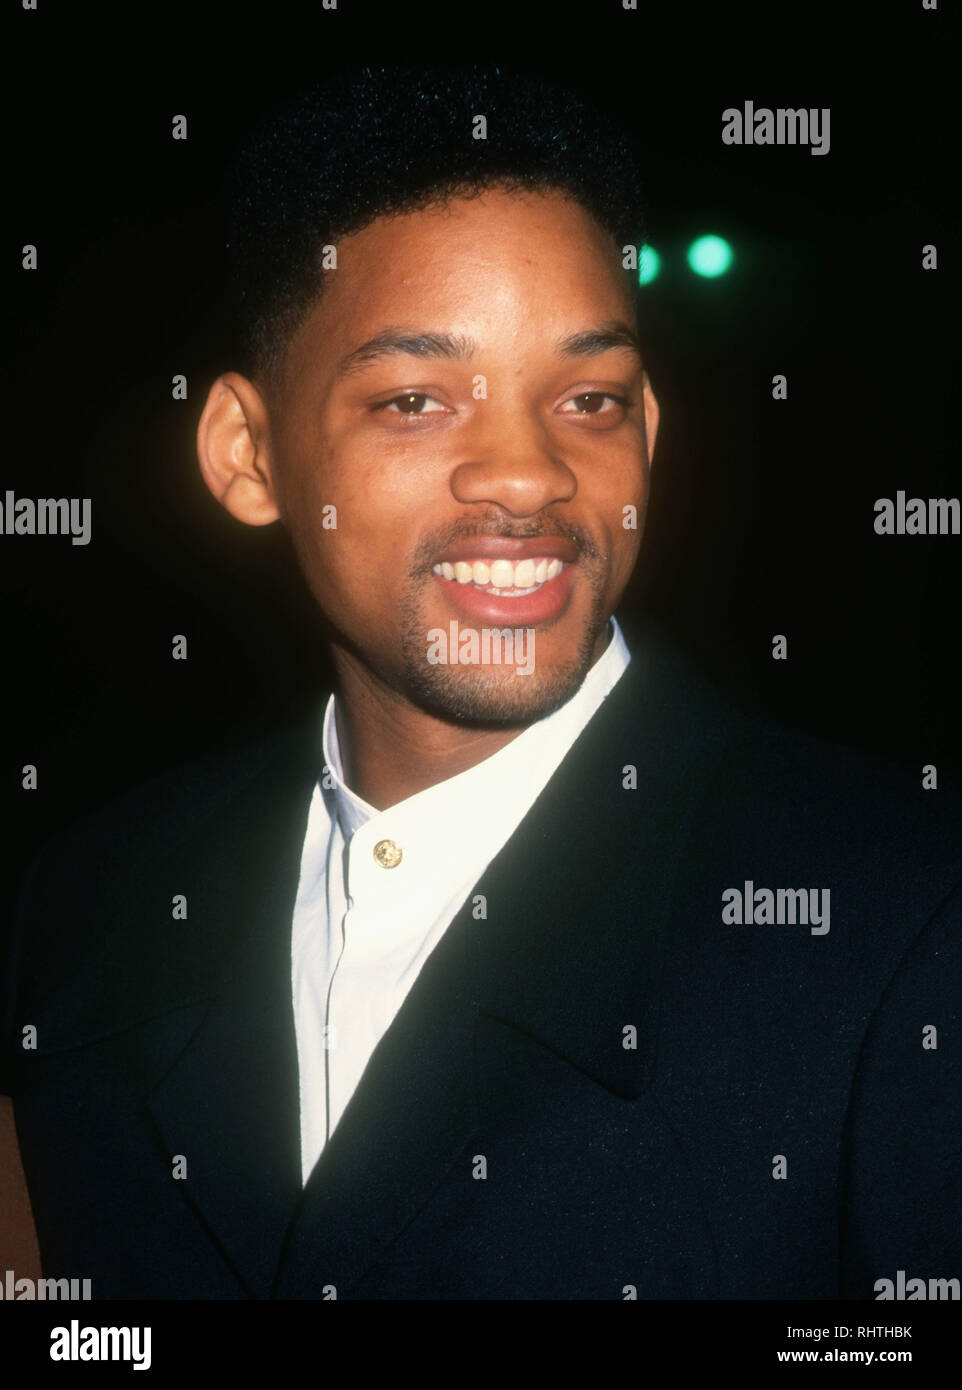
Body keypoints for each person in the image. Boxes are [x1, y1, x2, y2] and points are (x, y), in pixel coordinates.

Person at [3, 66, 959, 1301]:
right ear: (248, 455)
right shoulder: (91, 901)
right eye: (413, 399)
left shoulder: (903, 918)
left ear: (647, 437)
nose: (527, 473)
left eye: (587, 398)